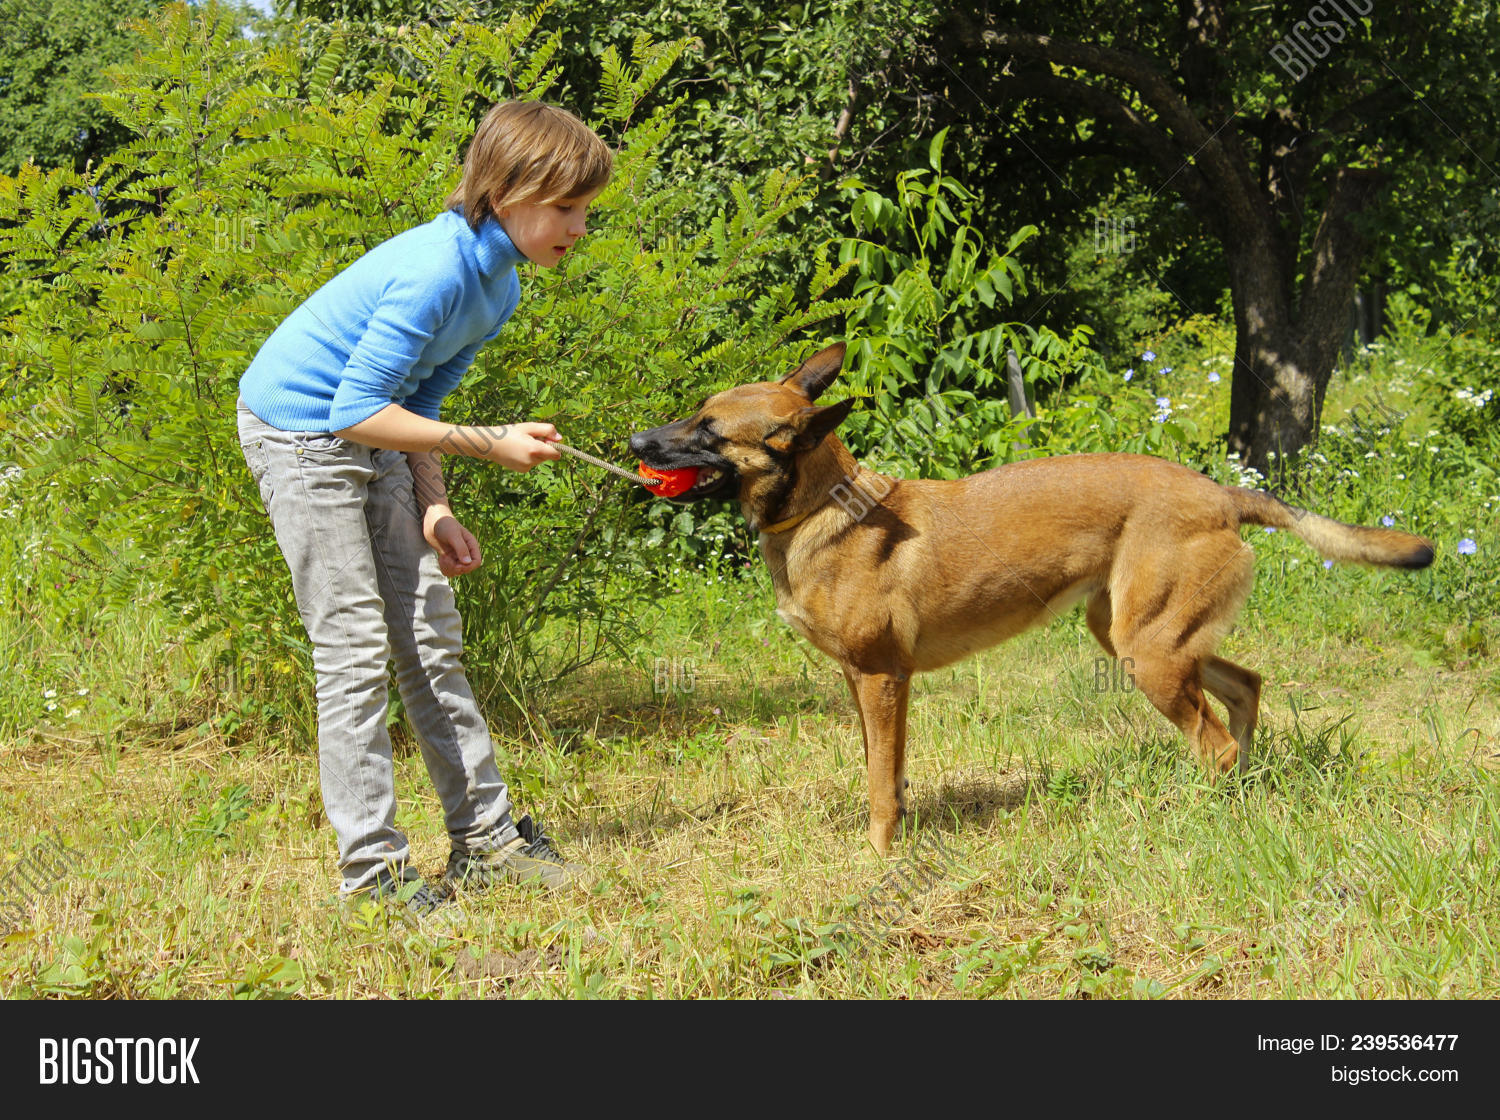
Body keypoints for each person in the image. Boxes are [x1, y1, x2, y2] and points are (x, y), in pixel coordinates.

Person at [234, 100, 611, 913]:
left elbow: (417, 405)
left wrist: (435, 512)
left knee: (430, 637)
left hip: (376, 433)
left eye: (587, 210)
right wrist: (495, 441)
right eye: (569, 207)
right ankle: (372, 875)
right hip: (302, 435)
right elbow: (351, 412)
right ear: (509, 193)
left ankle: (487, 842)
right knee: (355, 650)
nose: (581, 227)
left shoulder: (499, 286)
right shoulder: (437, 269)